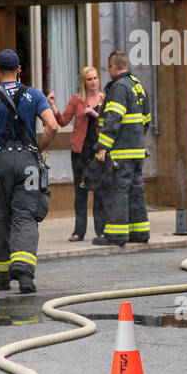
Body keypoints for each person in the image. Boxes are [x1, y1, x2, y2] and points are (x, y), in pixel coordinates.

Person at [0, 49, 57, 293]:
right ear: (19, 69)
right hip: (28, 162)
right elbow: (52, 125)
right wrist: (38, 148)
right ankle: (24, 275)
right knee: (25, 215)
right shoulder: (34, 95)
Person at [93, 50, 151, 248]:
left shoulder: (118, 87)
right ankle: (140, 232)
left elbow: (113, 119)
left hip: (122, 152)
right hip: (137, 149)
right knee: (136, 190)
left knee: (118, 190)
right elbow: (146, 120)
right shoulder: (138, 86)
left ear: (113, 67)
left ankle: (117, 235)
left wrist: (103, 147)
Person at [47, 66, 106, 242]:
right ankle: (78, 232)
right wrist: (52, 106)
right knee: (80, 192)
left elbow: (108, 123)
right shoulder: (76, 99)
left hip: (97, 152)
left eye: (95, 78)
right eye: (89, 79)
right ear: (84, 82)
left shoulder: (105, 99)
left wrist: (94, 113)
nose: (93, 82)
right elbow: (63, 121)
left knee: (99, 192)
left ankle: (101, 230)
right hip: (80, 152)